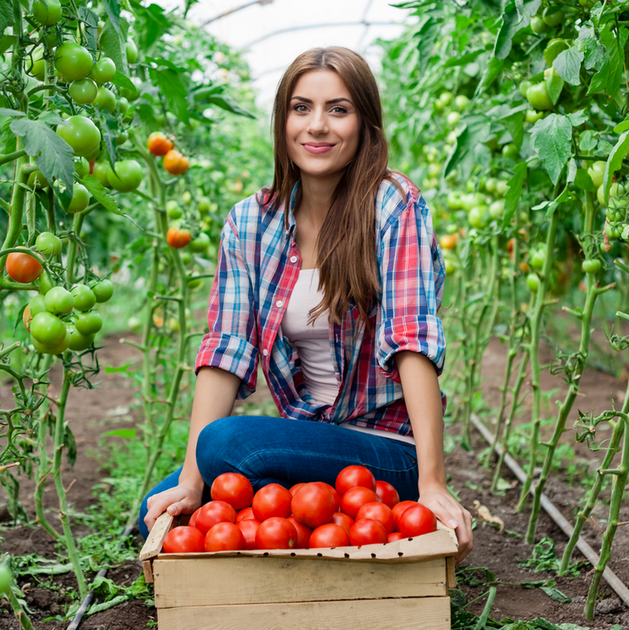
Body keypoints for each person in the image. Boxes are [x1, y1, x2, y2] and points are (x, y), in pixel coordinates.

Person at [138, 46, 473, 564]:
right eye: (301, 108)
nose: (317, 126)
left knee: (229, 443)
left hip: (384, 450)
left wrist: (432, 482)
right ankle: (324, 515)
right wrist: (189, 481)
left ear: (365, 124)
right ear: (283, 120)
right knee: (158, 507)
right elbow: (226, 350)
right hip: (310, 438)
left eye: (338, 109)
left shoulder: (394, 206)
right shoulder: (251, 222)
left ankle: (368, 501)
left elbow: (412, 341)